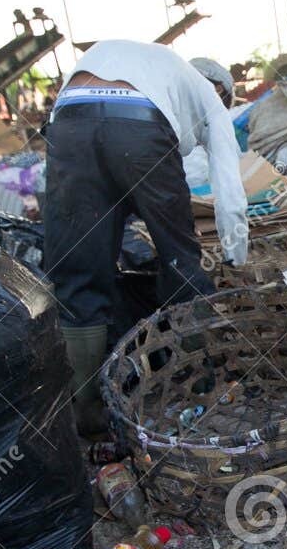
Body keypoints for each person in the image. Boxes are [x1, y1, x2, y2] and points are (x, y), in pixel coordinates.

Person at [42, 41, 249, 432]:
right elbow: (229, 185)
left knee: (79, 269)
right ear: (222, 91)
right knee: (180, 262)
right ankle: (203, 387)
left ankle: (86, 414)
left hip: (70, 118)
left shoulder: (161, 67)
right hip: (138, 121)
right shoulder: (210, 98)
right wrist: (235, 251)